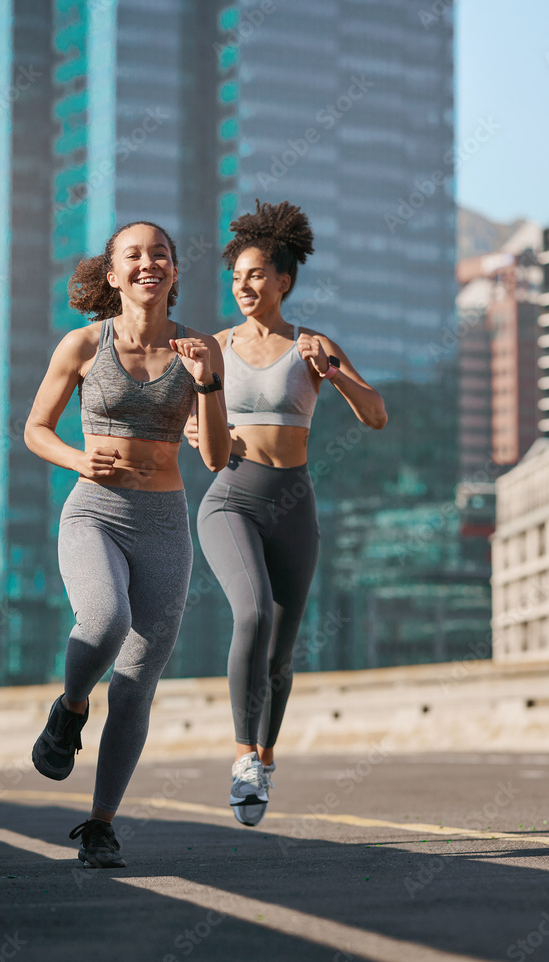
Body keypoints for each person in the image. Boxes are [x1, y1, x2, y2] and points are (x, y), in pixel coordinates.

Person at [25, 221, 230, 866]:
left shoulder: (202, 350)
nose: (149, 263)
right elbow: (35, 429)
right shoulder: (85, 344)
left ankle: (101, 824)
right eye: (133, 255)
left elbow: (219, 458)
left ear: (173, 271)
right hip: (95, 512)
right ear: (112, 275)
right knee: (106, 618)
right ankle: (71, 706)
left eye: (160, 254)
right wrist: (78, 462)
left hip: (166, 522)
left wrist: (207, 386)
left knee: (138, 683)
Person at [186, 200, 387, 826]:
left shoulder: (314, 345)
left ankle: (264, 759)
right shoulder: (213, 348)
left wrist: (334, 374)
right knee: (250, 612)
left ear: (284, 281)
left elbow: (375, 414)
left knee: (280, 653)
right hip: (231, 498)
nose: (244, 286)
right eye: (236, 277)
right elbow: (184, 420)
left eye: (255, 276)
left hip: (294, 504)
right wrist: (197, 426)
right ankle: (243, 756)